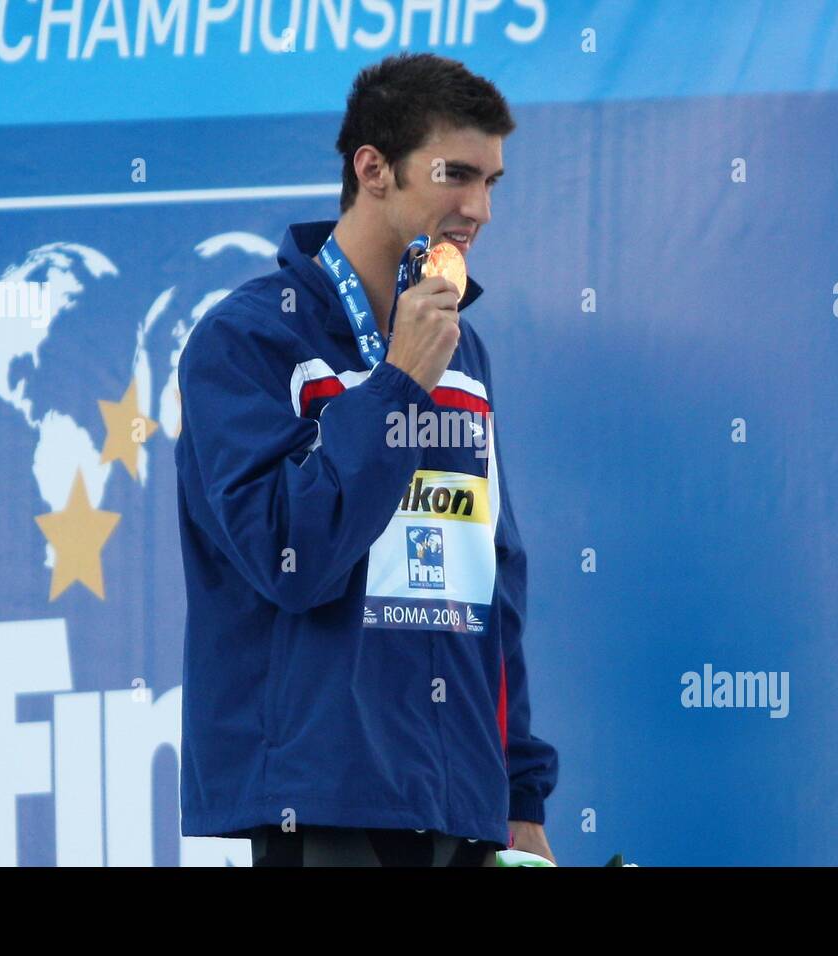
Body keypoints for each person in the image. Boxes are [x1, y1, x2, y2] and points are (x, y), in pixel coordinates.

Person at [175, 52, 558, 867]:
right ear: (373, 169)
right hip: (324, 804)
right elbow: (291, 558)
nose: (480, 208)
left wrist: (519, 796)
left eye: (493, 181)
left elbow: (492, 577)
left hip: (460, 802)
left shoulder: (465, 351)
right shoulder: (247, 340)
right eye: (457, 174)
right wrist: (397, 386)